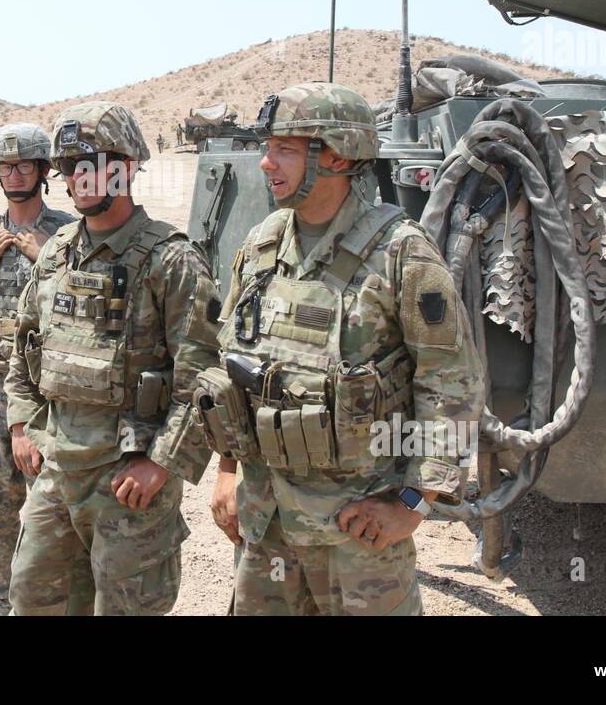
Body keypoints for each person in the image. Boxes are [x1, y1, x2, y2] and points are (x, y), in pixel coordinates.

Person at [203, 81, 484, 615]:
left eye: (284, 148)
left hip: (358, 530)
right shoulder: (262, 243)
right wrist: (228, 471)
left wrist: (413, 503)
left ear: (335, 155)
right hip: (266, 523)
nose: (266, 163)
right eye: (269, 148)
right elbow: (235, 369)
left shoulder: (402, 254)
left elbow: (452, 383)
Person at [5, 101, 220, 615]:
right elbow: (23, 347)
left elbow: (203, 377)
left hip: (127, 478)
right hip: (56, 469)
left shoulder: (170, 259)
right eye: (70, 167)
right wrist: (20, 426)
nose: (80, 179)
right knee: (33, 599)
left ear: (124, 169)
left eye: (94, 164)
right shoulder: (55, 253)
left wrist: (161, 462)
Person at [0, 122, 75, 616]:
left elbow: (87, 308)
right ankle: (4, 602)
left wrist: (46, 257)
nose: (15, 174)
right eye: (6, 166)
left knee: (51, 515)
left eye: (25, 164)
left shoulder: (69, 233)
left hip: (45, 404)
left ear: (45, 171)